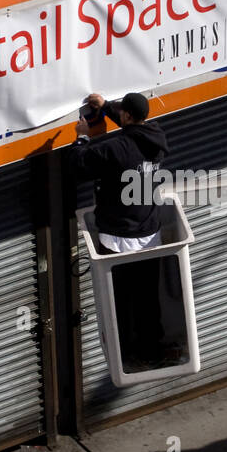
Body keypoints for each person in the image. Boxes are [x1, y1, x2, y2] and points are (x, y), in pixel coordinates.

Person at [70, 92, 179, 373]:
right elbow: (133, 131)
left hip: (118, 239)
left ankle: (128, 356)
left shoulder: (116, 148)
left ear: (127, 115)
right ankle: (152, 351)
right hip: (149, 233)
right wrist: (105, 108)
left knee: (121, 301)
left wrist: (82, 136)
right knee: (147, 298)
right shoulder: (156, 139)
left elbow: (79, 165)